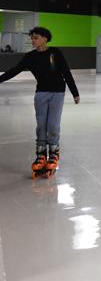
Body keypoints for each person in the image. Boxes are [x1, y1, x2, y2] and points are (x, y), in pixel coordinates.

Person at [0, 27, 80, 177]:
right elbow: (14, 70)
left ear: (45, 38)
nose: (33, 40)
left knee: (53, 125)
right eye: (32, 38)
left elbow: (66, 72)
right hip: (41, 93)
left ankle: (54, 153)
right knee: (41, 125)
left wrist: (75, 93)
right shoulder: (30, 57)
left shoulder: (55, 52)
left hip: (57, 93)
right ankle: (41, 154)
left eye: (35, 37)